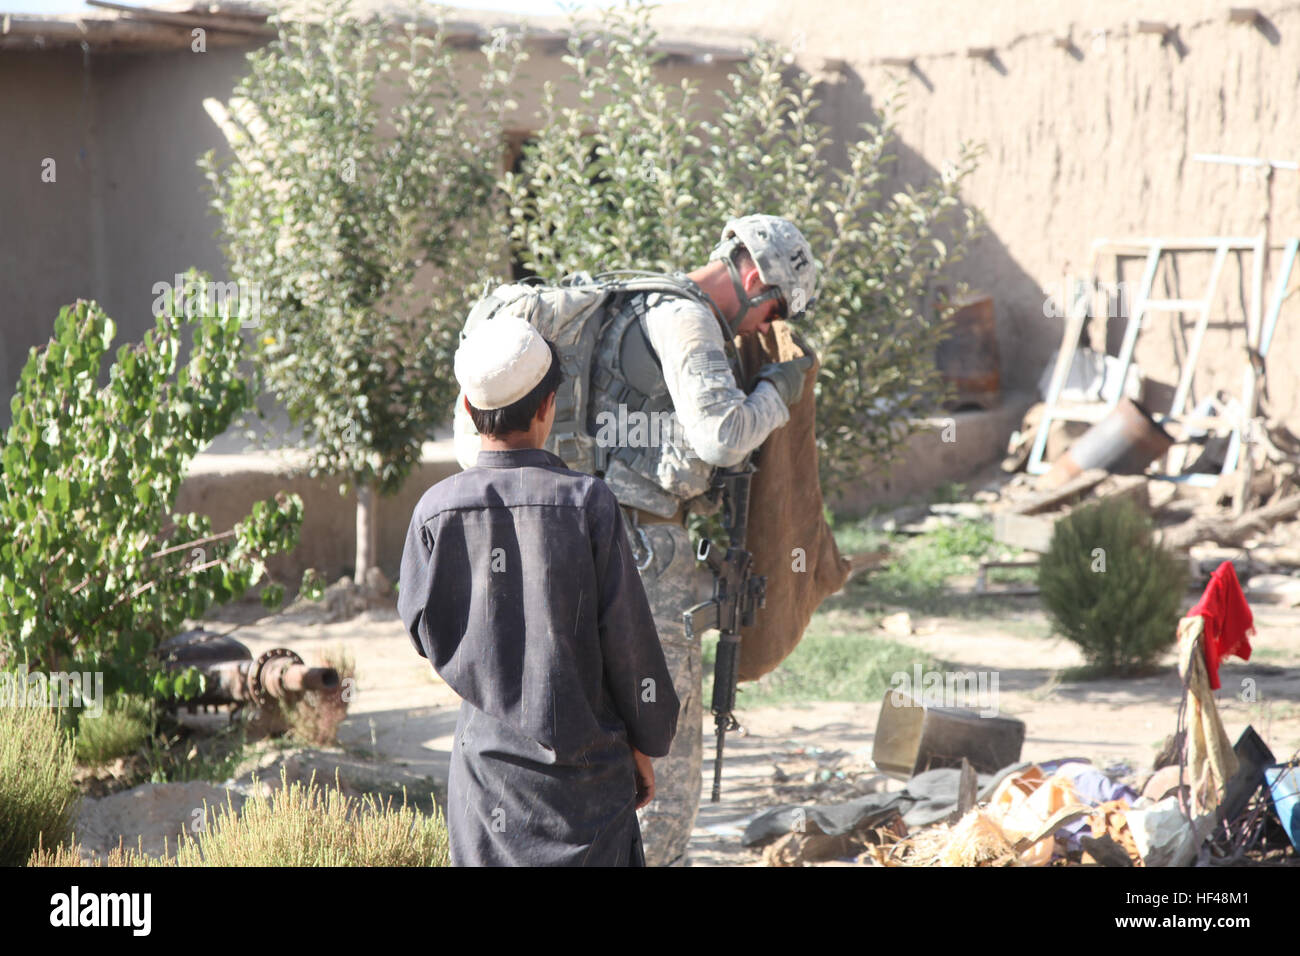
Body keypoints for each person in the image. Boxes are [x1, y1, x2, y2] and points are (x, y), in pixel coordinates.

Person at [453, 214, 819, 866]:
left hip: (563, 546)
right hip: (645, 562)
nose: (766, 328)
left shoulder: (626, 301)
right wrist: (774, 393)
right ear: (755, 274)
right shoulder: (688, 317)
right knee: (666, 776)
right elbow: (722, 434)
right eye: (776, 310)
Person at [398, 316, 679, 866]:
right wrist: (647, 745)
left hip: (485, 784)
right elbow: (629, 644)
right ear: (550, 406)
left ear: (466, 410)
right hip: (588, 782)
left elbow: (421, 628)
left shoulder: (435, 510)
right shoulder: (588, 503)